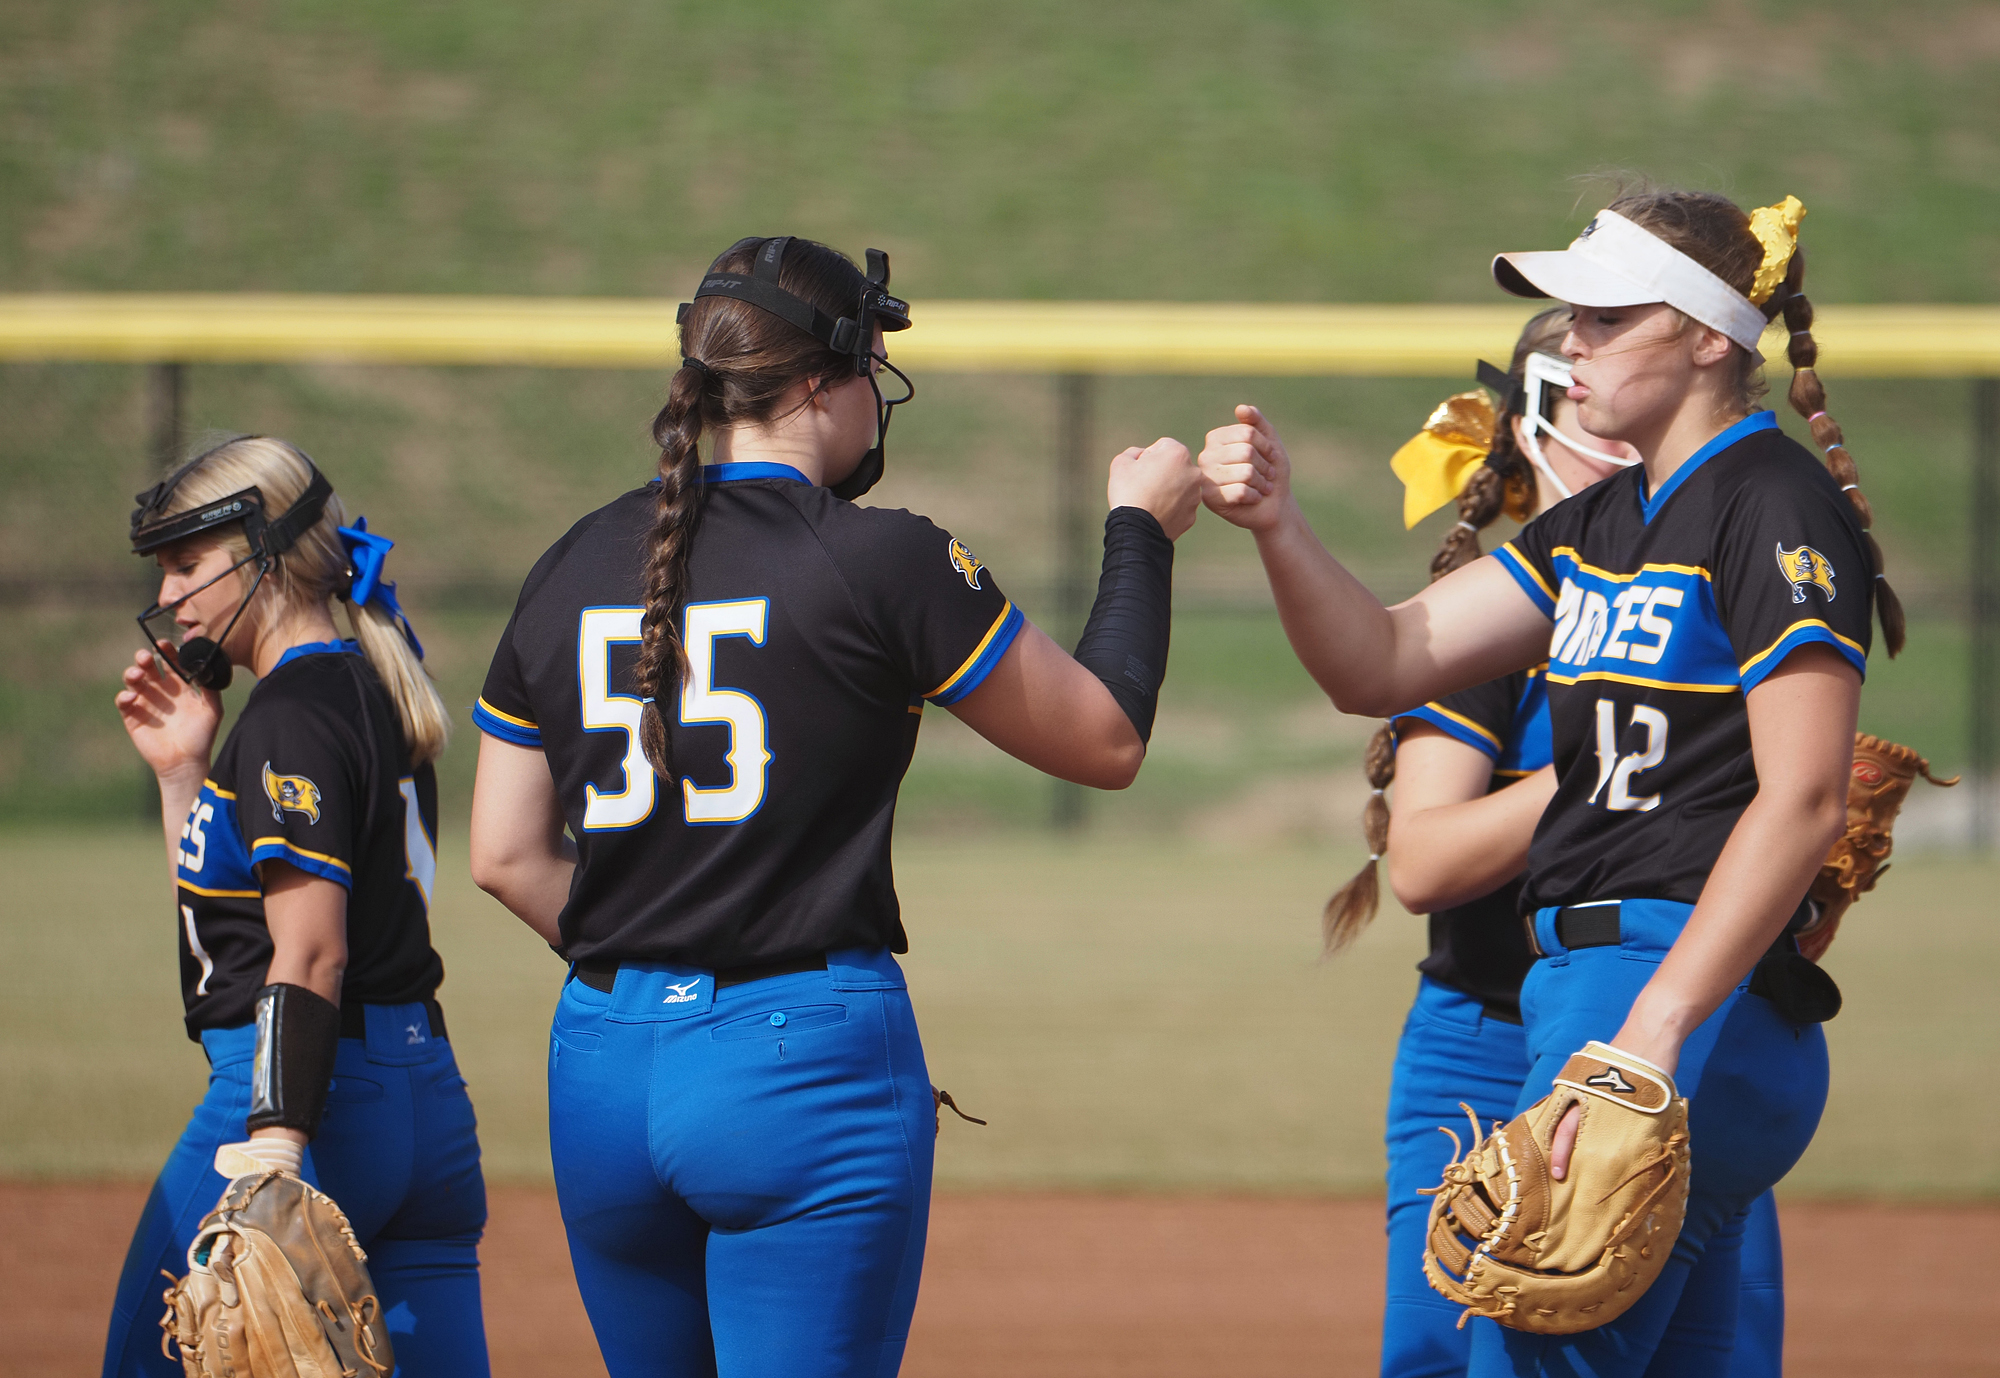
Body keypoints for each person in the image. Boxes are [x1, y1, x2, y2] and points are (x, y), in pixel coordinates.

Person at [467, 234, 1200, 1378]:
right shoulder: (880, 558)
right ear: (819, 381)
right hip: (797, 1065)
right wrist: (1139, 528)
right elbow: (1105, 738)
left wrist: (662, 960)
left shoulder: (569, 558)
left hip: (603, 1060)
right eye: (870, 369)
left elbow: (504, 855)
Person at [1201, 189, 1894, 1375]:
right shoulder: (1604, 525)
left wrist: (1651, 1034)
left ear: (1708, 336)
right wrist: (1275, 524)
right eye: (1570, 313)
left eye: (1608, 313)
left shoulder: (1768, 503)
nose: (1572, 338)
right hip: (1620, 1000)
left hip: (1655, 994)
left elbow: (1803, 800)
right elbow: (1382, 657)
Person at [1339, 309, 1786, 1377]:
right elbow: (1422, 864)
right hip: (1487, 1035)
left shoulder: (1712, 581)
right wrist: (1623, 761)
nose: (1617, 431)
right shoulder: (1499, 620)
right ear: (1526, 427)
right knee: (1453, 1352)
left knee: (1718, 1351)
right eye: (1574, 396)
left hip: (1669, 1025)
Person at [107, 436, 487, 1378]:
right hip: (423, 1099)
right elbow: (228, 924)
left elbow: (308, 955)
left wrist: (274, 1144)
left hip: (302, 1097)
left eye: (187, 565)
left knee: (145, 1361)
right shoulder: (366, 690)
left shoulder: (290, 716)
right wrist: (182, 773)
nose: (167, 599)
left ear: (262, 553)